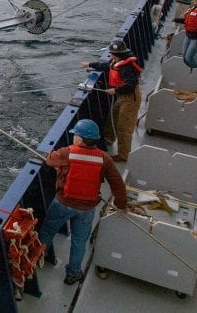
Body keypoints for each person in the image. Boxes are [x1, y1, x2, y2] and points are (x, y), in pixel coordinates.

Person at [38, 119, 129, 285]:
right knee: (79, 242)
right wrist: (121, 205)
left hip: (63, 203)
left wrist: (58, 165)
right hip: (87, 209)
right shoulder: (105, 159)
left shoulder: (67, 152)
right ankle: (73, 273)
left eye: (75, 135)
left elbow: (50, 160)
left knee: (47, 231)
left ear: (80, 139)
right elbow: (117, 184)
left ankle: (38, 256)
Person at [80, 40, 142, 162]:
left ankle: (123, 155)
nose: (110, 55)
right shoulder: (116, 61)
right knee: (113, 117)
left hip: (130, 99)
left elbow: (130, 84)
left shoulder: (127, 67)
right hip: (121, 97)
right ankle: (108, 138)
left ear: (117, 54)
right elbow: (105, 66)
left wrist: (115, 90)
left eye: (112, 53)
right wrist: (89, 64)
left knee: (124, 128)